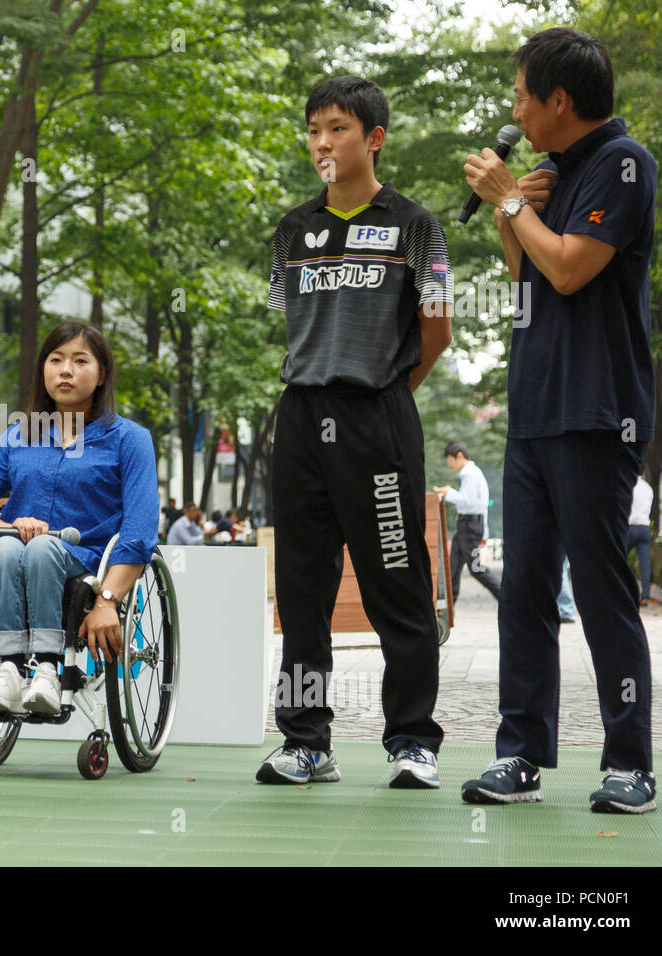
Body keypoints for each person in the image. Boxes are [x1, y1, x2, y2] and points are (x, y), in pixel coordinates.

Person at [461, 28, 657, 813]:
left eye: (520, 96)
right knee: (525, 589)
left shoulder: (623, 162)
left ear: (559, 101)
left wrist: (510, 197)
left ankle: (631, 762)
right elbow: (529, 271)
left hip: (598, 410)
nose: (514, 110)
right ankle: (520, 755)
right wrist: (512, 211)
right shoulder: (552, 172)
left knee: (604, 587)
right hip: (537, 406)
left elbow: (573, 268)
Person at [262, 75, 452, 790]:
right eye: (313, 130)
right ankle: (306, 741)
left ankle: (412, 740)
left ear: (373, 138)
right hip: (302, 419)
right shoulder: (290, 231)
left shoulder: (416, 224)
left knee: (395, 586)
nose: (321, 142)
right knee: (302, 590)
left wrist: (385, 396)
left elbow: (437, 329)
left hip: (380, 418)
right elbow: (297, 325)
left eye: (336, 128)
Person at [0, 321, 158, 715]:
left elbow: (139, 530)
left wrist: (107, 601)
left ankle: (48, 669)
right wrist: (9, 527)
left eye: (80, 361)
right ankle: (9, 671)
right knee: (8, 545)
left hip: (88, 565)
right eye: (56, 360)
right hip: (14, 561)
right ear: (43, 370)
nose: (65, 370)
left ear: (101, 375)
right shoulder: (18, 436)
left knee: (42, 548)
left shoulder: (129, 439)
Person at [433, 441, 502, 602]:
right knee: (453, 569)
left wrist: (448, 492)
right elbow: (478, 504)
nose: (450, 466)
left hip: (469, 525)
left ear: (459, 456)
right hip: (468, 525)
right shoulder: (473, 473)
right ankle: (447, 608)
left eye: (450, 461)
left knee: (476, 568)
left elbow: (468, 501)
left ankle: (507, 598)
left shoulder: (469, 473)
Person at [628, 473, 653, 606]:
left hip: (629, 527)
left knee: (619, 559)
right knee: (645, 563)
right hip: (644, 527)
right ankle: (645, 596)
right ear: (644, 473)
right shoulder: (648, 488)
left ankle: (626, 590)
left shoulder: (628, 485)